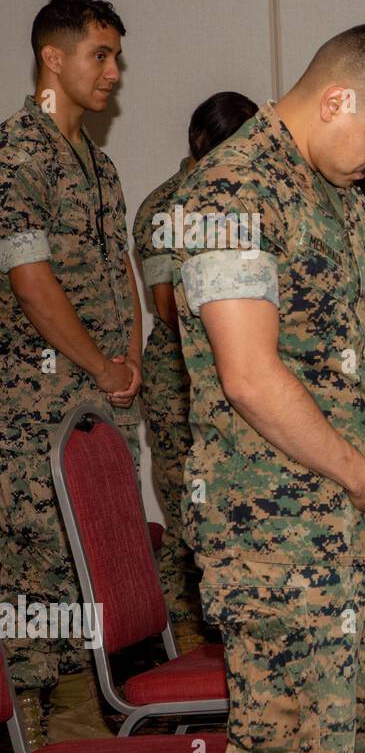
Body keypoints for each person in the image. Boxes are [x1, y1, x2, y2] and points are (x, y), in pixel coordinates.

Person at [171, 22, 365, 753]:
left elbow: (358, 356)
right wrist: (364, 478)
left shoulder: (343, 196)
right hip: (274, 538)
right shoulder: (231, 191)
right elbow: (250, 377)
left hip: (352, 526)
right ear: (338, 99)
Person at [0, 0, 141, 749]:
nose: (114, 72)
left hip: (100, 397)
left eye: (117, 57)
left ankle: (90, 726)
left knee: (100, 564)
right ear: (53, 59)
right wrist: (100, 363)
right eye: (100, 55)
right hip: (38, 403)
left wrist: (131, 363)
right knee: (39, 570)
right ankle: (29, 740)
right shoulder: (18, 154)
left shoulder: (98, 161)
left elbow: (119, 266)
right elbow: (30, 280)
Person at [132, 91, 257, 651]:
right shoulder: (168, 208)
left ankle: (225, 631)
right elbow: (166, 304)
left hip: (235, 368)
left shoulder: (243, 197)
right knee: (188, 500)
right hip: (179, 378)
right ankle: (180, 640)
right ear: (206, 144)